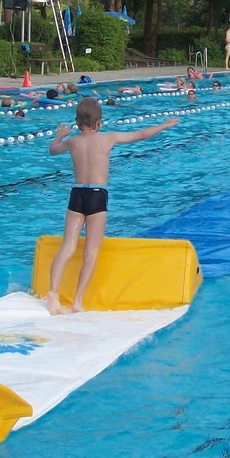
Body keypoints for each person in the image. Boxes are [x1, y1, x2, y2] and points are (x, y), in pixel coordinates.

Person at [45, 97, 179, 315]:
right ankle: (77, 301)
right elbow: (140, 135)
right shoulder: (108, 139)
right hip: (97, 195)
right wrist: (164, 125)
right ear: (99, 123)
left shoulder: (72, 142)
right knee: (91, 251)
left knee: (68, 246)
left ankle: (53, 292)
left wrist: (60, 135)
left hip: (77, 193)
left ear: (77, 122)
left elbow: (53, 150)